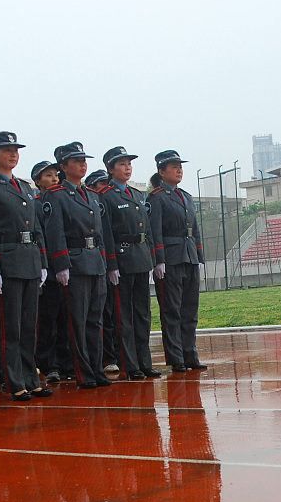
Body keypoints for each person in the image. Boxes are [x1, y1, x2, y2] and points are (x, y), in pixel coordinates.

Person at [0, 131, 52, 401]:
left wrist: (42, 261)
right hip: (7, 263)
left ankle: (31, 377)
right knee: (11, 327)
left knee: (29, 326)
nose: (13, 154)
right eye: (6, 150)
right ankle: (13, 380)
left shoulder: (25, 187)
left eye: (15, 149)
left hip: (29, 260)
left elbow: (37, 228)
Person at [42, 143, 115, 389]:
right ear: (63, 167)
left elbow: (101, 233)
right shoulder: (56, 195)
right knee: (78, 321)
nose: (83, 164)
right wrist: (61, 264)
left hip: (95, 262)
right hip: (75, 262)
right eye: (76, 161)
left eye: (84, 160)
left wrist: (104, 260)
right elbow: (55, 232)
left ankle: (96, 368)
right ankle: (83, 372)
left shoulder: (92, 196)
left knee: (95, 319)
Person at [98, 146, 162, 380]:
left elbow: (148, 231)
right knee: (124, 316)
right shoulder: (106, 196)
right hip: (123, 261)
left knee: (143, 314)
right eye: (122, 164)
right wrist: (112, 265)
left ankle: (145, 362)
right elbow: (107, 233)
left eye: (129, 164)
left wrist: (153, 259)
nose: (127, 168)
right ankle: (130, 364)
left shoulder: (136, 195)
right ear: (111, 169)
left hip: (140, 258)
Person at [147, 150, 206, 372]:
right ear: (161, 172)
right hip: (170, 259)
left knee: (190, 310)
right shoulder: (157, 197)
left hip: (189, 256)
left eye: (180, 166)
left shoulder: (186, 197)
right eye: (173, 167)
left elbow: (195, 230)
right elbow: (155, 231)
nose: (179, 170)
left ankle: (190, 354)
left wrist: (199, 256)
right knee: (172, 310)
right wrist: (159, 260)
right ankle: (176, 358)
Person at [33, 160, 73, 383]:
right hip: (47, 266)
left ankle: (66, 362)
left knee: (65, 316)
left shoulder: (64, 200)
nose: (55, 179)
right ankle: (49, 363)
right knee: (48, 317)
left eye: (56, 175)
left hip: (63, 264)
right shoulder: (37, 204)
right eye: (48, 176)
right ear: (38, 181)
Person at [84, 169, 119, 373]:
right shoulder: (97, 202)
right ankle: (105, 358)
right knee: (99, 317)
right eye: (100, 185)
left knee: (113, 315)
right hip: (91, 264)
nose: (104, 187)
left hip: (105, 262)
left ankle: (115, 354)